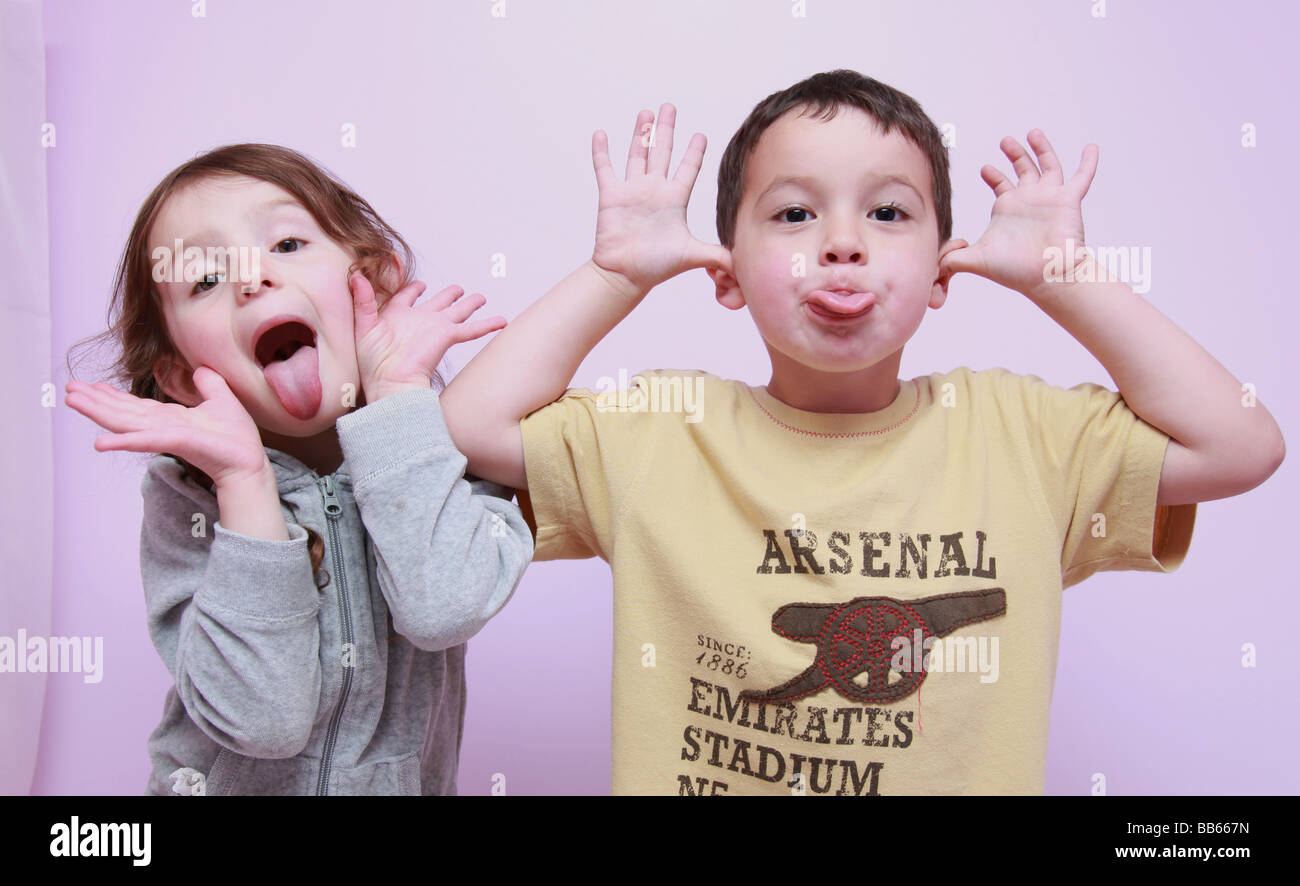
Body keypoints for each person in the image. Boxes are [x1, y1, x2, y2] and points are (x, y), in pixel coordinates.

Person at [439, 70, 1285, 795]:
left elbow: (1242, 445)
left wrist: (1068, 280)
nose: (842, 244)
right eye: (795, 215)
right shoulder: (659, 433)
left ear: (943, 272)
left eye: (887, 213)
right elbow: (472, 426)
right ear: (725, 273)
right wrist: (613, 276)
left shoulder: (1025, 436)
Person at [65, 144, 533, 795]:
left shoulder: (443, 447)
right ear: (182, 379)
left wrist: (398, 396)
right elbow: (266, 721)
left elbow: (441, 611)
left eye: (285, 243)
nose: (252, 277)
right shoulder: (187, 499)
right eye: (203, 280)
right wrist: (244, 485)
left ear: (374, 281)